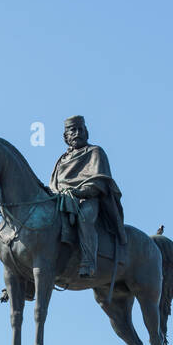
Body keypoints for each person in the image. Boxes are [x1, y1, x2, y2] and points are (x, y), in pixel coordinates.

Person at [48, 115, 126, 277]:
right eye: (73, 130)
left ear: (86, 132)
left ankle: (88, 261)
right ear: (66, 137)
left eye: (80, 129)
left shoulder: (95, 152)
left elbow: (100, 181)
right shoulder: (61, 159)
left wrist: (79, 192)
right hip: (62, 199)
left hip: (87, 198)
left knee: (85, 217)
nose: (77, 133)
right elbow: (53, 184)